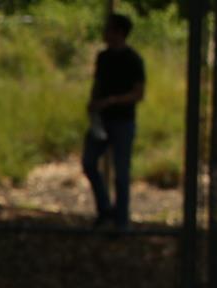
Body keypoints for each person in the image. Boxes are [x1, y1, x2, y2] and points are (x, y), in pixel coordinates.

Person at [83, 12, 144, 232]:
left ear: (119, 32)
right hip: (102, 120)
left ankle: (121, 221)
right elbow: (97, 83)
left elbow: (138, 94)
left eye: (108, 29)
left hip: (123, 122)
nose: (104, 33)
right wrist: (93, 103)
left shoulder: (133, 60)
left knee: (121, 172)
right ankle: (105, 209)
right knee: (89, 162)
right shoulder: (103, 57)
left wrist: (112, 101)